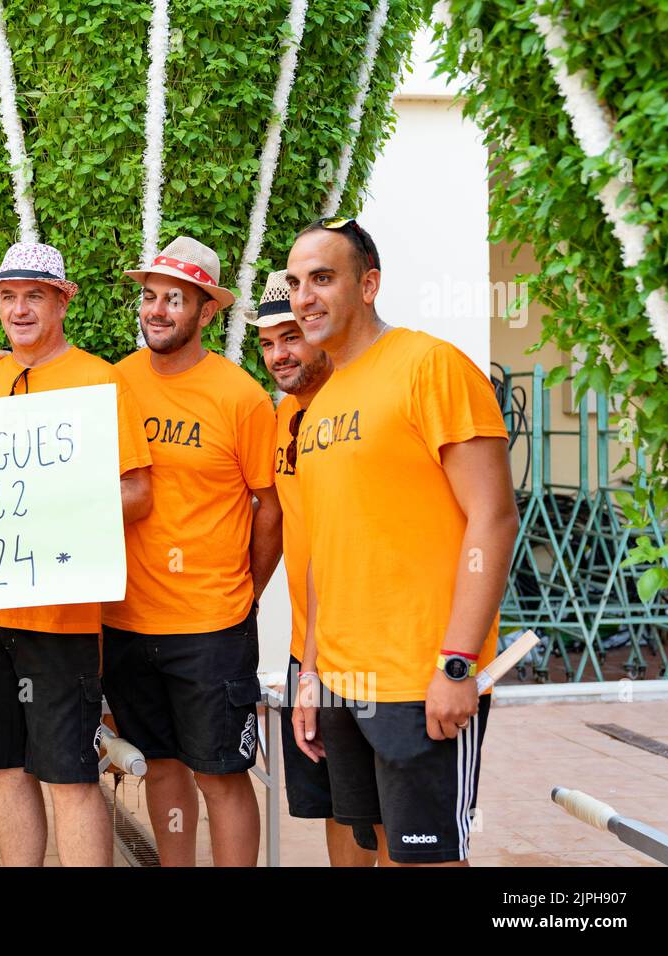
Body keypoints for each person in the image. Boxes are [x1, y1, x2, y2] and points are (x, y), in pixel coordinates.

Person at [288, 217, 518, 866]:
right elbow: (323, 557)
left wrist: (457, 662)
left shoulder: (430, 366)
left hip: (420, 679)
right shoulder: (322, 402)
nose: (305, 296)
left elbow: (494, 517)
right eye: (297, 281)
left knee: (431, 860)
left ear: (369, 285)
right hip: (342, 678)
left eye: (323, 278)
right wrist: (310, 674)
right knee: (381, 853)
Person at [0, 241, 153, 867]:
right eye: (8, 297)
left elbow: (138, 494)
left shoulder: (100, 379)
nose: (20, 309)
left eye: (35, 295)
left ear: (64, 300)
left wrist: (57, 505)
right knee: (4, 767)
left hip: (61, 618)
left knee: (70, 775)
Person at [99, 237, 280, 867]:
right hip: (125, 620)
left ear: (206, 313)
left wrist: (245, 594)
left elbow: (270, 507)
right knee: (164, 769)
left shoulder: (241, 397)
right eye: (149, 296)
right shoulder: (113, 382)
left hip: (210, 625)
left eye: (175, 299)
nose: (157, 309)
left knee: (222, 775)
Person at [250, 269, 376, 867]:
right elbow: (279, 518)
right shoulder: (282, 415)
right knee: (335, 802)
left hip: (367, 644)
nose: (279, 354)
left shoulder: (361, 402)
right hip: (311, 645)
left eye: (291, 336)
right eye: (268, 343)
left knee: (384, 813)